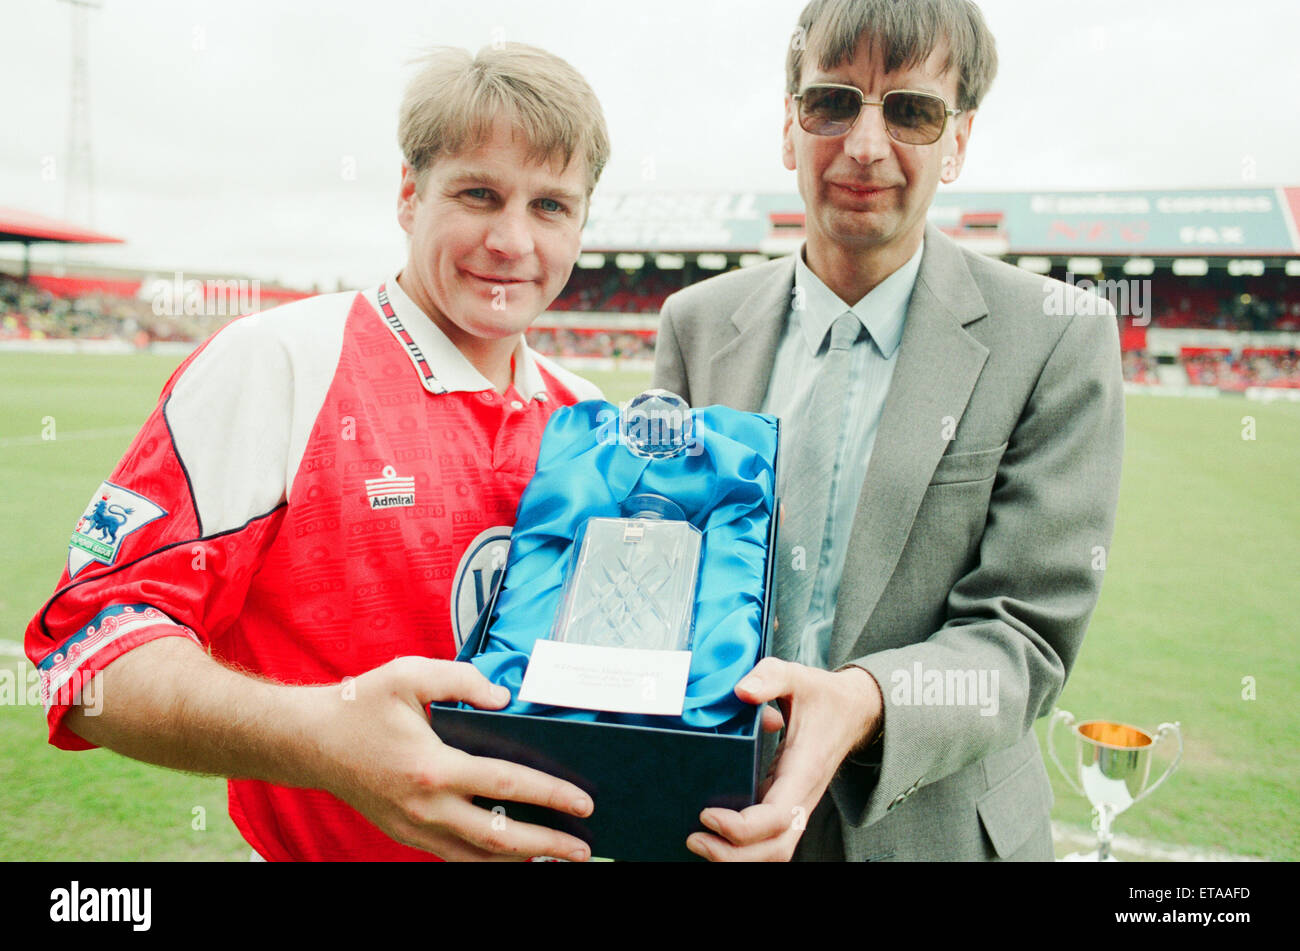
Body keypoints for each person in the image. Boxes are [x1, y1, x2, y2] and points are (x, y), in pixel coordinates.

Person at [25, 43, 611, 862]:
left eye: (551, 205)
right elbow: (86, 650)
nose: (512, 240)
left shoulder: (595, 420)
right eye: (479, 193)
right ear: (410, 194)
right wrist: (327, 735)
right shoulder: (281, 363)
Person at [654, 0, 1124, 861]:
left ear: (959, 142)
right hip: (717, 819)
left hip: (937, 834)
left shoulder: (1059, 333)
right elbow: (666, 573)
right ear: (790, 129)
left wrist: (863, 701)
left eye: (911, 110)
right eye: (833, 102)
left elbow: (1026, 638)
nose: (865, 145)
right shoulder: (694, 323)